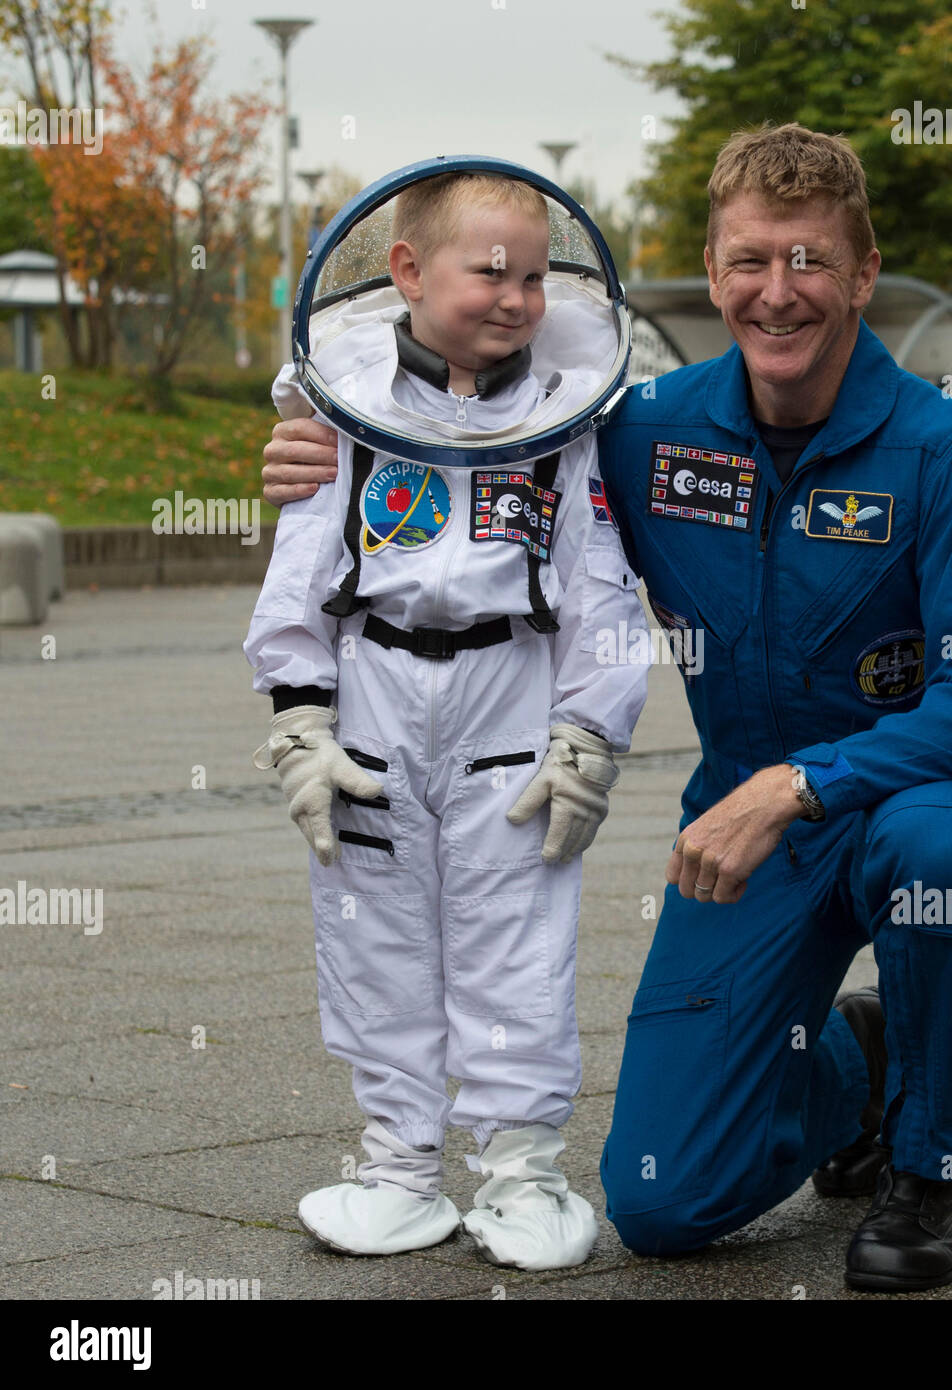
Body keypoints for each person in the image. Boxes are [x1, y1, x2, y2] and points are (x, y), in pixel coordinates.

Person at [261, 124, 952, 1293]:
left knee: (940, 849)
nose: (776, 292)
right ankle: (860, 1052)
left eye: (808, 261)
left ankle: (925, 1165)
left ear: (863, 272)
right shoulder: (641, 428)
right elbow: (467, 468)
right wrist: (313, 453)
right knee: (661, 1199)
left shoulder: (940, 453)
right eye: (748, 261)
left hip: (895, 794)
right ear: (710, 264)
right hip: (745, 831)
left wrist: (800, 786)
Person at [245, 170, 649, 1272]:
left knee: (518, 939)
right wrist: (297, 721)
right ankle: (398, 1165)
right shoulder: (341, 410)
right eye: (488, 271)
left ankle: (521, 1167)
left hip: (510, 702)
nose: (516, 296)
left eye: (531, 274)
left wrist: (588, 737)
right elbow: (299, 576)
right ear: (409, 273)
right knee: (371, 935)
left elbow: (600, 587)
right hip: (371, 697)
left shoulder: (566, 416)